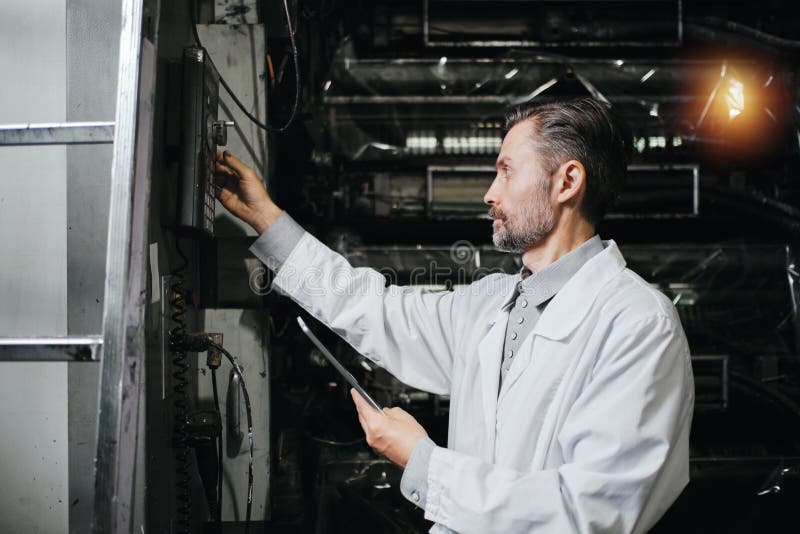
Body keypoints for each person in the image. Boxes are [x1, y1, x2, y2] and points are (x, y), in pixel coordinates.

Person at [213, 97, 694, 533]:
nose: (490, 193)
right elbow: (373, 308)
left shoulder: (637, 325)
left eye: (506, 172)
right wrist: (267, 220)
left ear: (567, 182)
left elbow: (593, 514)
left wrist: (424, 463)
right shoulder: (489, 304)